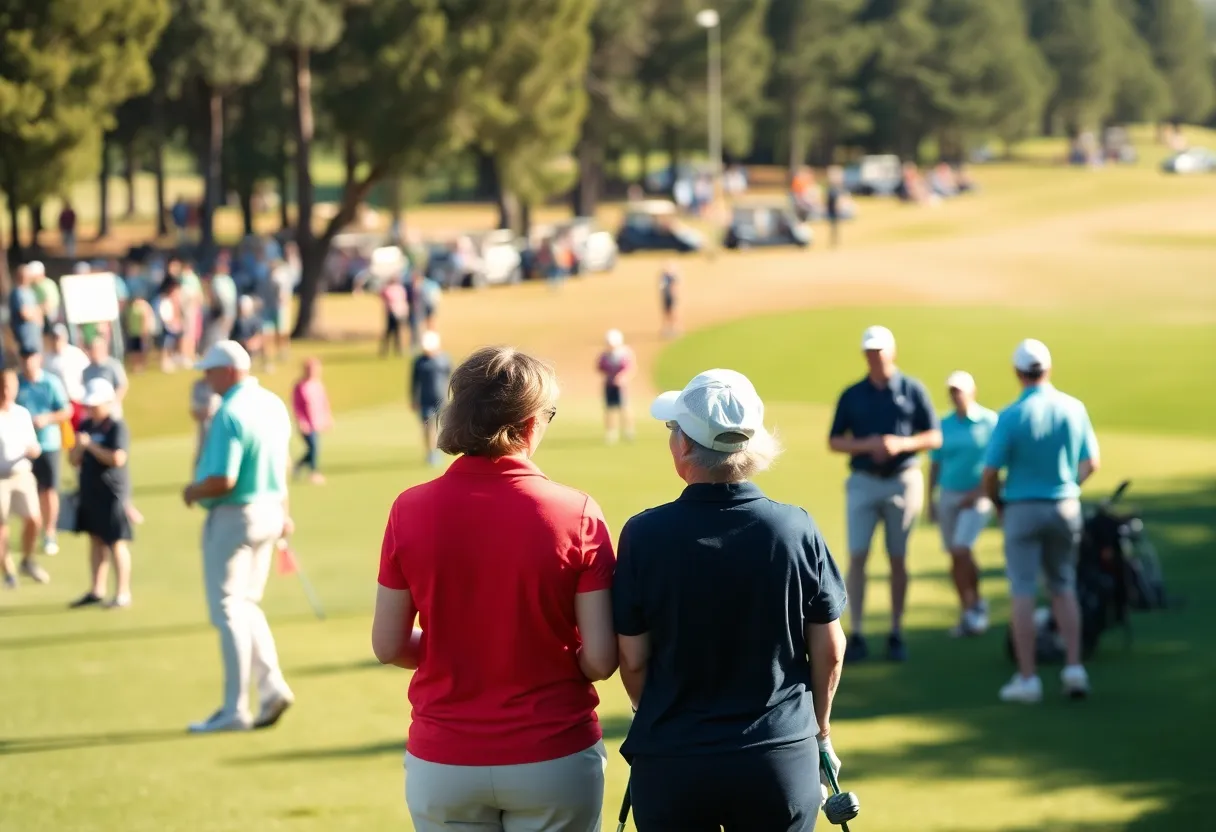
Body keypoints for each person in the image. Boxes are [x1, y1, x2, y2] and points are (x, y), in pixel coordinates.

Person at [372, 345, 617, 832]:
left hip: (443, 759)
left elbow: (389, 645)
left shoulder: (409, 509)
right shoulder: (577, 513)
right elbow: (601, 658)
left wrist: (459, 646)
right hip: (552, 752)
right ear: (529, 423)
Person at [614, 369, 848, 832]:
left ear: (684, 446)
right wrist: (819, 732)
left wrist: (657, 712)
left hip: (673, 761)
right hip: (778, 759)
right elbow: (830, 649)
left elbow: (633, 659)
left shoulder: (644, 535)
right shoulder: (795, 528)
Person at [183, 341, 295, 733]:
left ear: (230, 371)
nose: (206, 377)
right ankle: (272, 687)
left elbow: (222, 479)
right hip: (269, 512)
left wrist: (192, 491)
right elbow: (281, 466)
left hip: (234, 516)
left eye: (211, 370)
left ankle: (235, 708)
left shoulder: (228, 412)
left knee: (228, 609)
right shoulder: (272, 404)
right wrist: (285, 512)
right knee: (247, 604)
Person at [982, 339, 1099, 704]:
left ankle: (1028, 677)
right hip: (1064, 505)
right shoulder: (1073, 408)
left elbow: (990, 472)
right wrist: (1069, 487)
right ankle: (1074, 668)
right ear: (1048, 368)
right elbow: (1091, 462)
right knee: (1063, 585)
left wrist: (998, 502)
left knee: (1023, 590)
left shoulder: (1011, 414)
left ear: (1018, 372)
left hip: (1021, 508)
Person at [828, 325, 940, 663]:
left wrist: (901, 444)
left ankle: (895, 631)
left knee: (897, 557)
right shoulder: (853, 394)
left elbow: (934, 436)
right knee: (858, 556)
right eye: (869, 352)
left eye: (879, 351)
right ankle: (858, 631)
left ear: (892, 351)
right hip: (863, 480)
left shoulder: (912, 389)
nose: (875, 357)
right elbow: (835, 440)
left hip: (902, 479)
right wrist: (868, 445)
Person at [927, 371, 998, 638]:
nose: (956, 396)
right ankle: (968, 610)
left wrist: (982, 491)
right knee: (955, 555)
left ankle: (975, 605)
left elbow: (997, 463)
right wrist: (930, 499)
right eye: (952, 391)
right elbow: (935, 463)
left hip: (979, 496)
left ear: (972, 391)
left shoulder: (990, 422)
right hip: (949, 494)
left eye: (960, 391)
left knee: (961, 548)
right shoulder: (943, 425)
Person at [67, 379, 135, 609]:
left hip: (112, 493)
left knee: (116, 542)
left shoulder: (116, 427)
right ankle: (97, 589)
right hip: (90, 492)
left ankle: (123, 592)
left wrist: (90, 447)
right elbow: (73, 460)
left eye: (95, 405)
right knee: (95, 540)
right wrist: (79, 447)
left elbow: (117, 458)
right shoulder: (85, 426)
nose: (91, 409)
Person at [16, 350, 71, 557]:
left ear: (38, 359)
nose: (27, 363)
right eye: (24, 358)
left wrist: (47, 419)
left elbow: (66, 411)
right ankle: (33, 531)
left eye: (31, 358)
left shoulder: (50, 382)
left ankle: (50, 532)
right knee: (32, 491)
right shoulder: (17, 383)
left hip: (48, 443)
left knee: (49, 490)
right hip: (25, 447)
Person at [0, 370, 47, 587]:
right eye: (4, 387)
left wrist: (34, 450)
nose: (7, 392)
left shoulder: (21, 413)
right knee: (2, 526)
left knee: (34, 519)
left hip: (22, 473)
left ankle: (27, 560)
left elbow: (32, 443)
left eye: (10, 387)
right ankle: (8, 569)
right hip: (1, 478)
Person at [409, 331, 451, 467]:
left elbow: (452, 379)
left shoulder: (444, 360)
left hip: (441, 400)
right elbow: (413, 382)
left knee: (439, 427)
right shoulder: (419, 362)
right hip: (424, 400)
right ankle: (431, 452)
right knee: (428, 427)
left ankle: (437, 450)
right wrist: (413, 399)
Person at [291, 358, 332, 484]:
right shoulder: (300, 386)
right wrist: (301, 421)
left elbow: (324, 402)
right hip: (306, 423)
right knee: (313, 447)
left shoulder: (318, 384)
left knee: (313, 448)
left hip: (317, 421)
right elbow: (297, 406)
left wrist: (327, 417)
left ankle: (297, 466)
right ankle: (314, 472)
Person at [44, 325, 89, 431]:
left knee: (80, 429)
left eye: (59, 338)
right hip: (58, 402)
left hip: (76, 399)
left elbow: (87, 374)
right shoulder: (47, 358)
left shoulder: (75, 353)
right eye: (54, 338)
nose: (56, 341)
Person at [596, 329, 635, 444]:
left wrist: (622, 377)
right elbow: (599, 367)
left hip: (621, 387)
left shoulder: (624, 354)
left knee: (625, 407)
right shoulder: (604, 356)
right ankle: (611, 432)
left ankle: (629, 430)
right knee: (609, 409)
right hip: (609, 385)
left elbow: (630, 369)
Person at [82, 336, 129, 421]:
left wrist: (113, 403)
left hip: (110, 407)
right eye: (91, 349)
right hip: (93, 409)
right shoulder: (87, 370)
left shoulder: (113, 365)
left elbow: (122, 385)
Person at [9, 264, 45, 359]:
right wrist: (35, 314)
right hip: (25, 338)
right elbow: (25, 314)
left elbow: (38, 312)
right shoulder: (17, 293)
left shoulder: (30, 292)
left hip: (35, 335)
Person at [190, 374, 221, 472]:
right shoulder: (198, 385)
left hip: (218, 423)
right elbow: (194, 411)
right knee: (203, 450)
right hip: (204, 424)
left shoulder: (220, 385)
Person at [378, 277, 409, 358]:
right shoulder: (400, 289)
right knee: (396, 333)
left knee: (390, 332)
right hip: (399, 313)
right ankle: (397, 350)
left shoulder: (389, 289)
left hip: (393, 313)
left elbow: (381, 295)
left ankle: (387, 350)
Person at [229, 295, 264, 363]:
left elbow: (258, 336)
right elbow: (231, 337)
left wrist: (249, 343)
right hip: (238, 346)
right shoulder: (236, 321)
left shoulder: (255, 321)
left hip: (249, 346)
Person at [658, 262, 680, 338]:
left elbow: (675, 287)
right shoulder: (663, 277)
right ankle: (666, 329)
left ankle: (674, 328)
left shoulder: (672, 277)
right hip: (666, 297)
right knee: (666, 312)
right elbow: (661, 287)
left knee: (673, 312)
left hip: (671, 297)